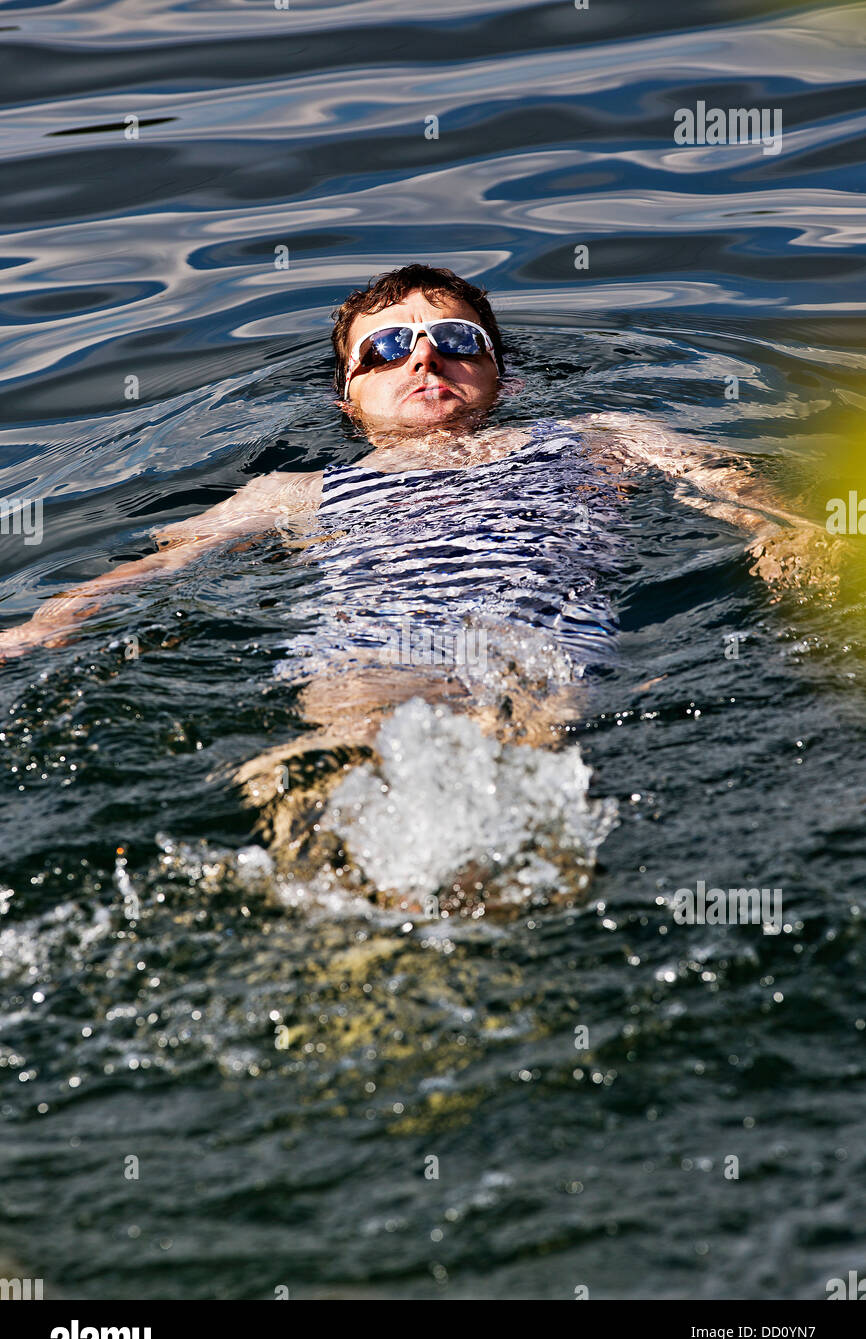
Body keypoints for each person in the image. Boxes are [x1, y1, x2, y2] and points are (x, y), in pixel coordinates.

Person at [0, 265, 841, 893]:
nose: (426, 355)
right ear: (349, 398)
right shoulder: (295, 491)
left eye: (457, 340)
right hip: (368, 658)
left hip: (524, 642)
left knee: (505, 825)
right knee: (321, 800)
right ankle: (344, 960)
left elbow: (740, 495)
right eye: (390, 347)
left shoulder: (594, 435)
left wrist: (788, 545)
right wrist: (45, 627)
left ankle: (481, 962)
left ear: (498, 375)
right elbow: (156, 566)